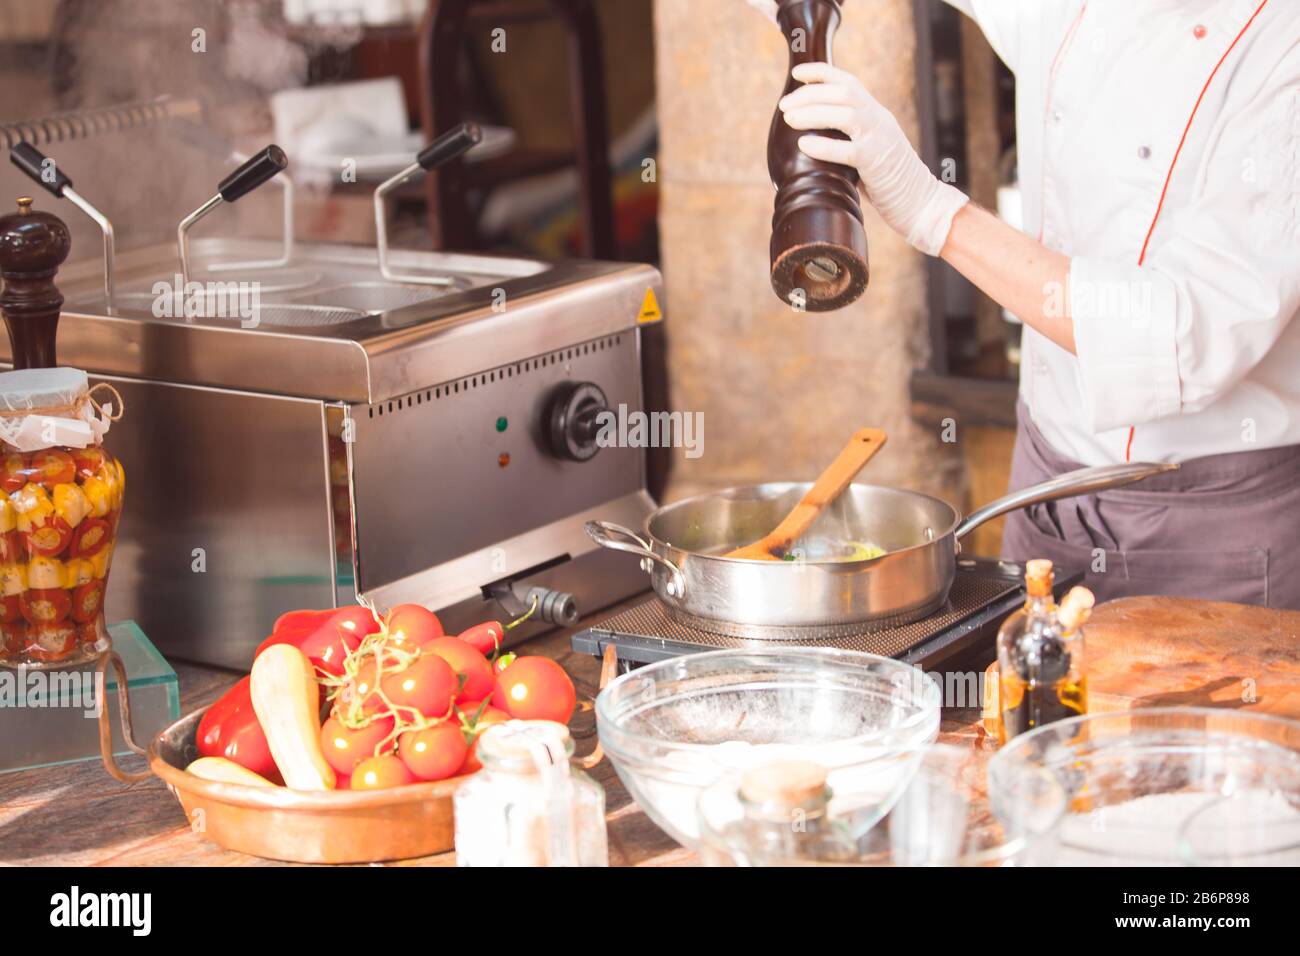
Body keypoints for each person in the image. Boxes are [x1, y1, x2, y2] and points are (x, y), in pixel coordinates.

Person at [745, 0, 1300, 607]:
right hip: (1044, 496)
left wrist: (934, 212)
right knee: (1015, 696)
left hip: (1212, 533)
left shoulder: (1283, 48)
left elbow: (1182, 337)